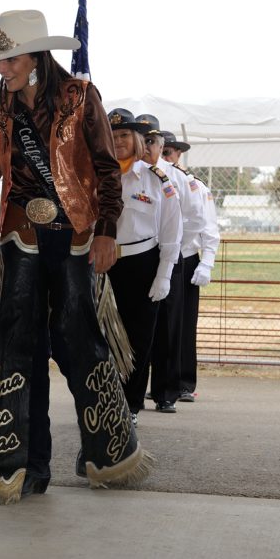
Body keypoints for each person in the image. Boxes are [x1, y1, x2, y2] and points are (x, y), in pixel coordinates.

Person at [0, 10, 152, 504]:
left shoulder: (80, 97)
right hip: (21, 235)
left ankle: (108, 453)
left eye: (10, 59)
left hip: (75, 234)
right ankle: (17, 467)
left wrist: (106, 232)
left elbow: (106, 170)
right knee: (16, 342)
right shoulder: (1, 107)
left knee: (78, 338)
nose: (2, 69)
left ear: (36, 56)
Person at [106, 109, 182, 425]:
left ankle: (130, 406)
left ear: (137, 139)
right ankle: (104, 401)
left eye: (125, 135)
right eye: (113, 135)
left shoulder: (156, 180)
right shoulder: (94, 176)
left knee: (138, 341)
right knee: (102, 338)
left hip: (142, 265)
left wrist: (164, 274)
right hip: (102, 265)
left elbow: (172, 230)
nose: (119, 141)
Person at [136, 115, 207, 413]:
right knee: (135, 324)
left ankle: (165, 392)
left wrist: (174, 245)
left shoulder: (178, 177)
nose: (146, 147)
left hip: (170, 256)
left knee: (168, 325)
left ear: (161, 145)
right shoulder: (129, 173)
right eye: (142, 141)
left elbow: (196, 218)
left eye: (152, 141)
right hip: (136, 256)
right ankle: (132, 393)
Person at [160, 131, 220, 402]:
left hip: (185, 257)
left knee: (183, 324)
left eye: (168, 153)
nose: (164, 158)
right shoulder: (153, 180)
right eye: (161, 152)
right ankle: (160, 383)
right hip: (155, 255)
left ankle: (183, 383)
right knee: (157, 324)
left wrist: (206, 263)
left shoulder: (195, 186)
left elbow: (209, 229)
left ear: (178, 154)